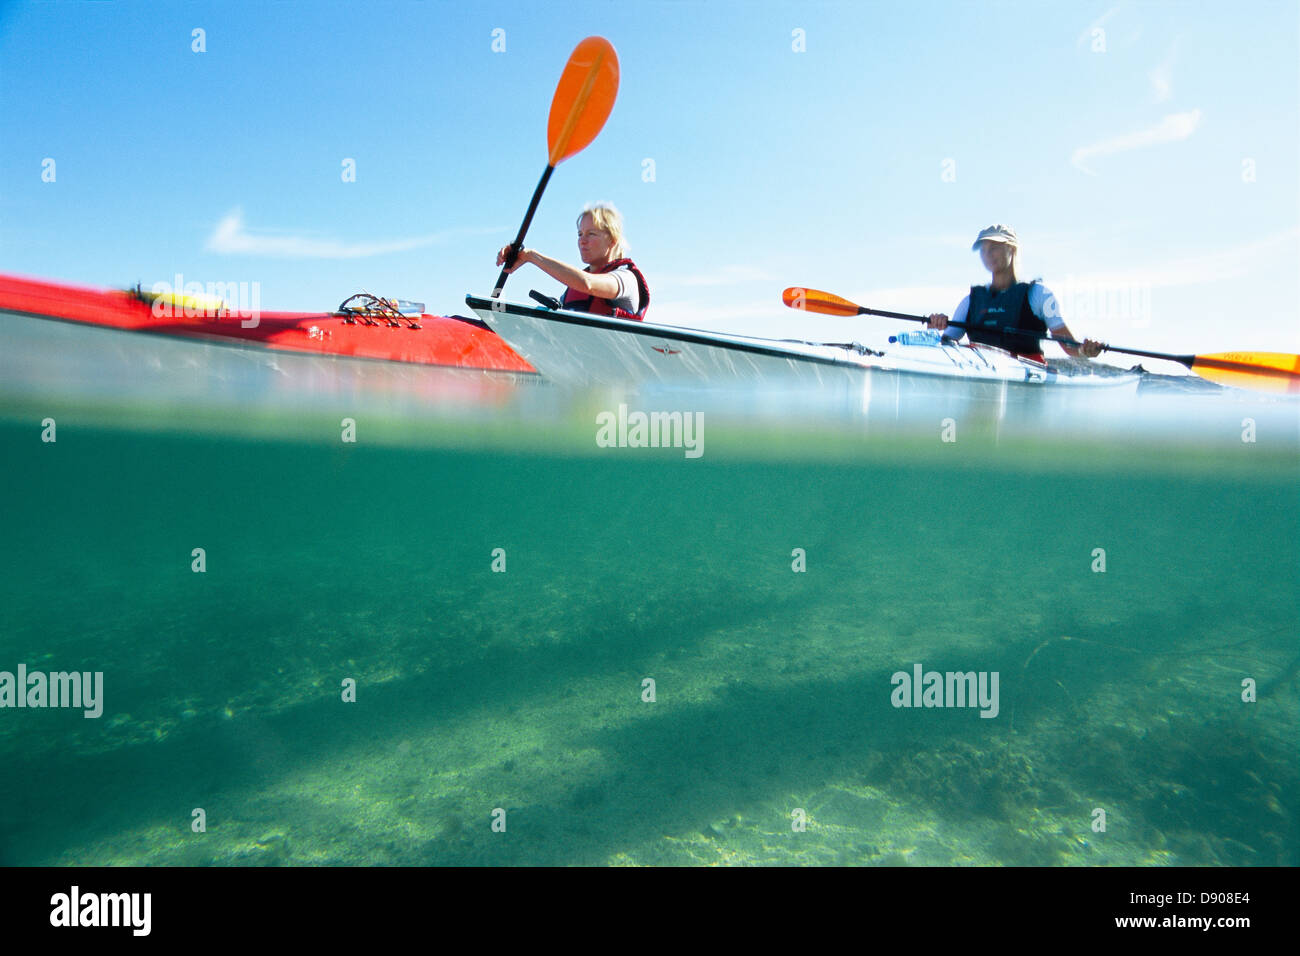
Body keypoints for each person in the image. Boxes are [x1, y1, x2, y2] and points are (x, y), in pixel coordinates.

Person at [927, 225, 1102, 362]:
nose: (988, 255)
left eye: (994, 247)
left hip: (1026, 378)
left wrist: (1085, 350)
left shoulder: (1041, 295)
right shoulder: (970, 301)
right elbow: (945, 345)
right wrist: (935, 326)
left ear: (1012, 249)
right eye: (983, 250)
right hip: (982, 373)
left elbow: (1070, 348)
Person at [495, 203, 650, 320]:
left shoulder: (626, 279)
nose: (582, 241)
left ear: (612, 240)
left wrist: (530, 256)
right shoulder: (572, 289)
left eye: (591, 234)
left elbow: (587, 284)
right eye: (580, 234)